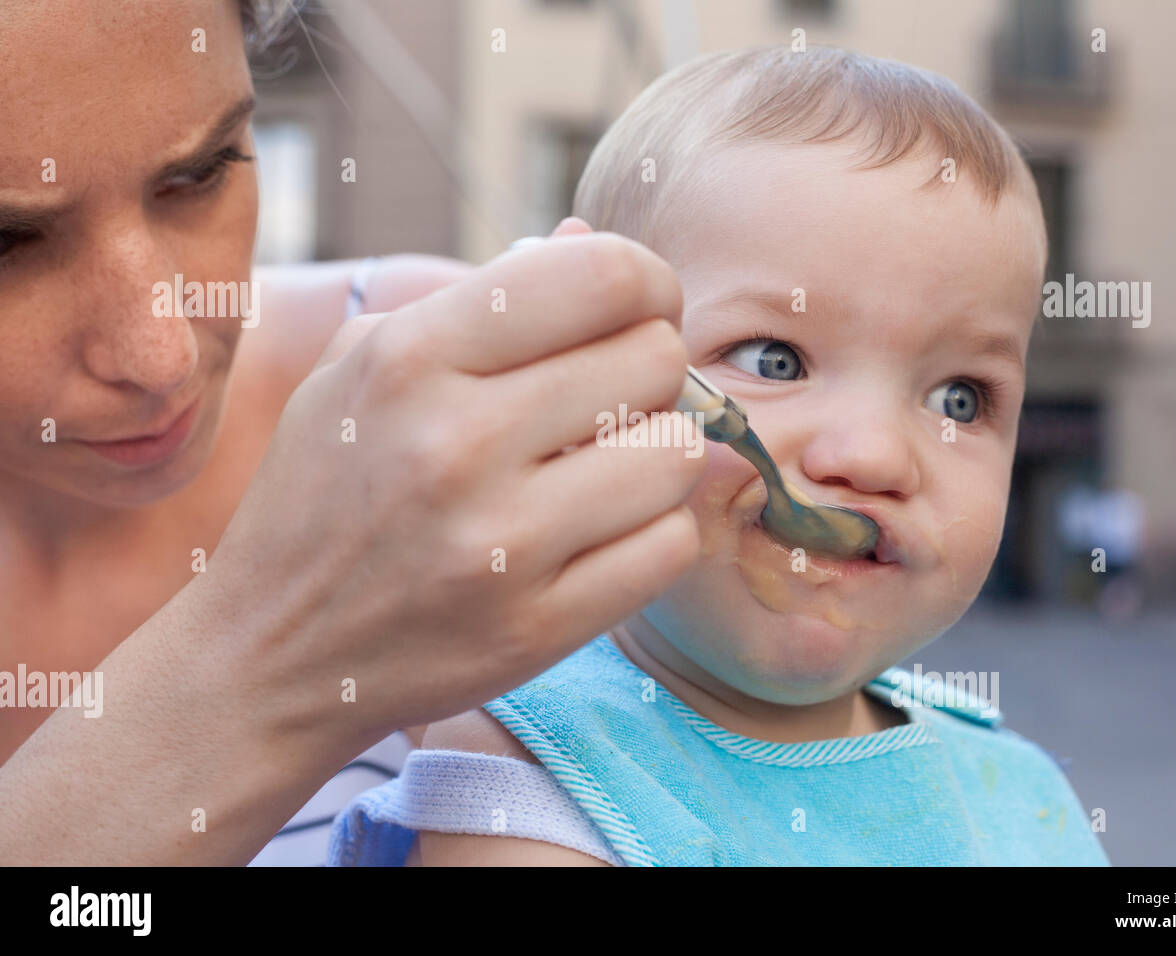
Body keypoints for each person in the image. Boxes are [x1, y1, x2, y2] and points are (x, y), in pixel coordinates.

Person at [329, 46, 1110, 866]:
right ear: (592, 378)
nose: (875, 456)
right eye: (776, 359)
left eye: (958, 398)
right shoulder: (532, 758)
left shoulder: (1018, 793)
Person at [0, 0, 704, 865]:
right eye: (9, 244)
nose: (163, 355)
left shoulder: (457, 396)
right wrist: (268, 667)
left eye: (204, 171)